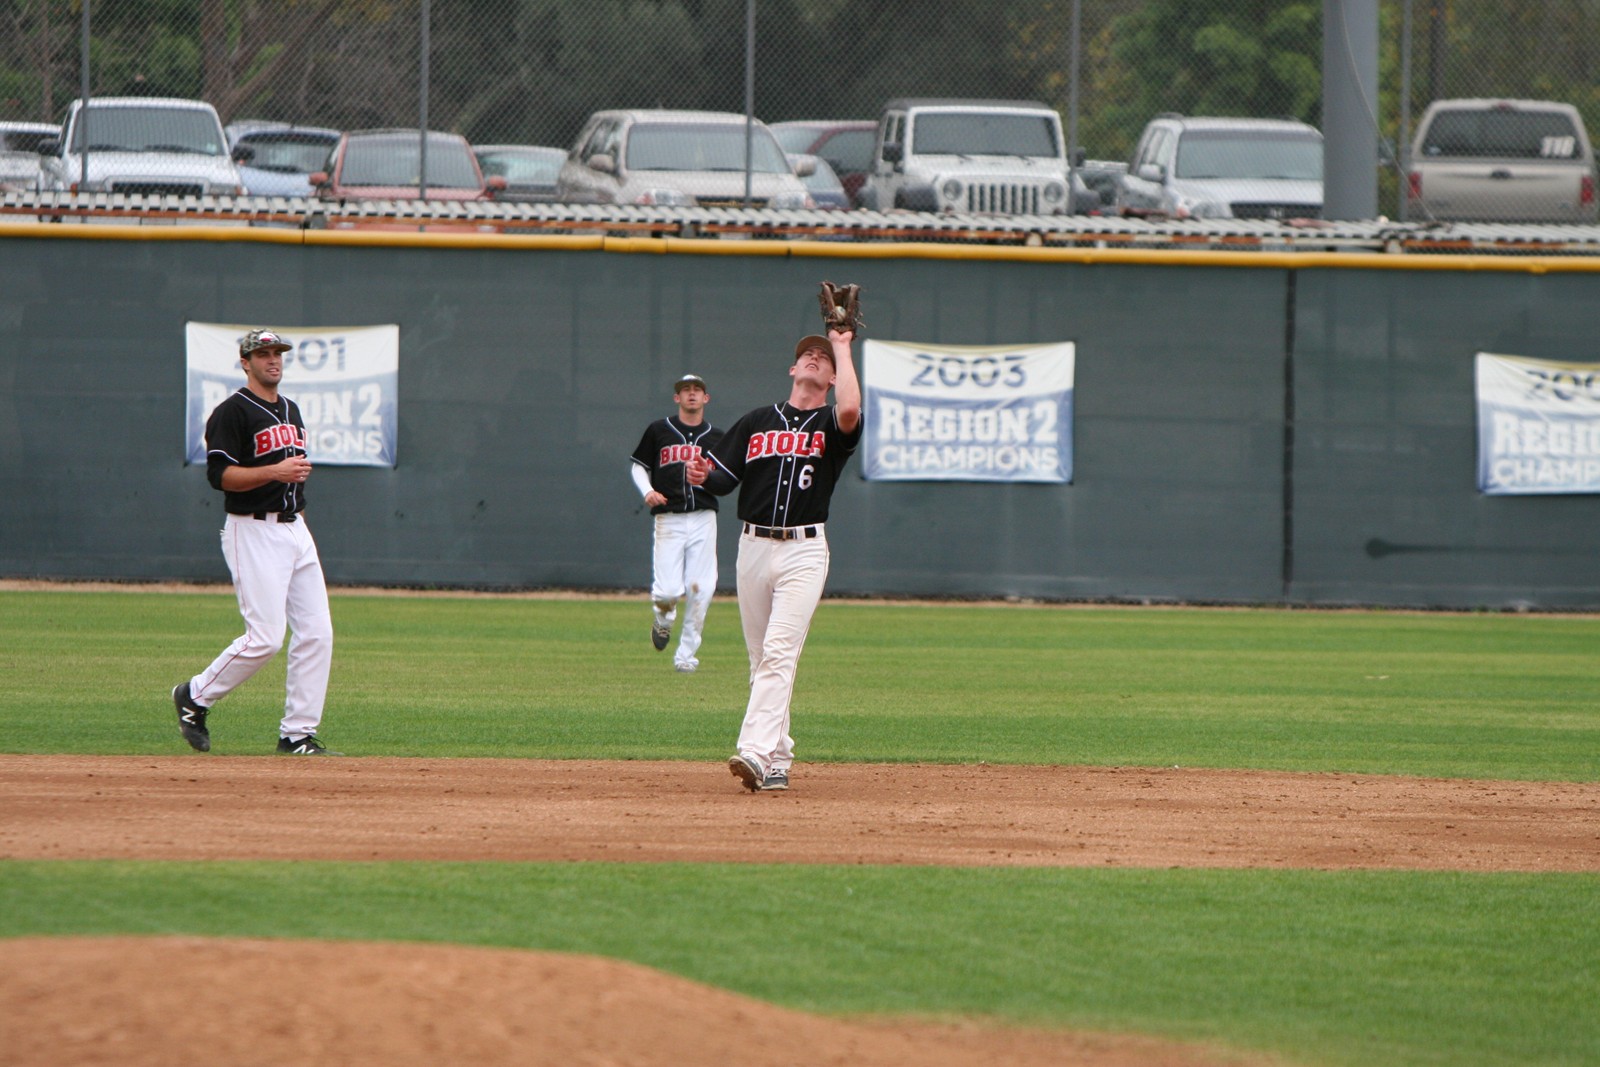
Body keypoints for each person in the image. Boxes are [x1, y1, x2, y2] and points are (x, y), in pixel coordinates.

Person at [687, 328, 862, 792]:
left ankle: (755, 752)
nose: (813, 358)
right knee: (761, 658)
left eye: (821, 358)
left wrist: (841, 347)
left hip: (804, 550)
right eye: (806, 354)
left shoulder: (831, 424)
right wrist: (703, 474)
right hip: (753, 547)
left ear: (831, 377)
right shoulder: (756, 421)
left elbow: (849, 409)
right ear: (791, 369)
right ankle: (779, 758)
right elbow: (722, 480)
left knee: (779, 653)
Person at [171, 328, 338, 756]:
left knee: (317, 633)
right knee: (265, 637)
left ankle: (297, 734)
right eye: (262, 354)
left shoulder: (290, 408)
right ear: (245, 362)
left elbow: (286, 468)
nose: (272, 360)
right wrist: (275, 473)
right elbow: (220, 477)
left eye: (277, 353)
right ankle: (195, 695)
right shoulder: (232, 412)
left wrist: (288, 476)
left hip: (295, 528)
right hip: (253, 530)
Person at [630, 373, 722, 673]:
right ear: (677, 398)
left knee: (701, 589)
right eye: (686, 390)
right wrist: (648, 491)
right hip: (669, 517)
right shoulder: (660, 430)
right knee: (668, 591)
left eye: (697, 390)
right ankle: (663, 619)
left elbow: (728, 475)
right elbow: (639, 467)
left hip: (703, 516)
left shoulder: (717, 438)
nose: (692, 394)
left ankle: (686, 657)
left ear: (706, 398)